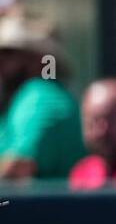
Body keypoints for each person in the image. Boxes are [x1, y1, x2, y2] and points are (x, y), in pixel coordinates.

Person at [0, 13, 83, 181]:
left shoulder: (40, 95)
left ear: (38, 60)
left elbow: (18, 167)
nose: (0, 60)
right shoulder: (30, 97)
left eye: (9, 52)